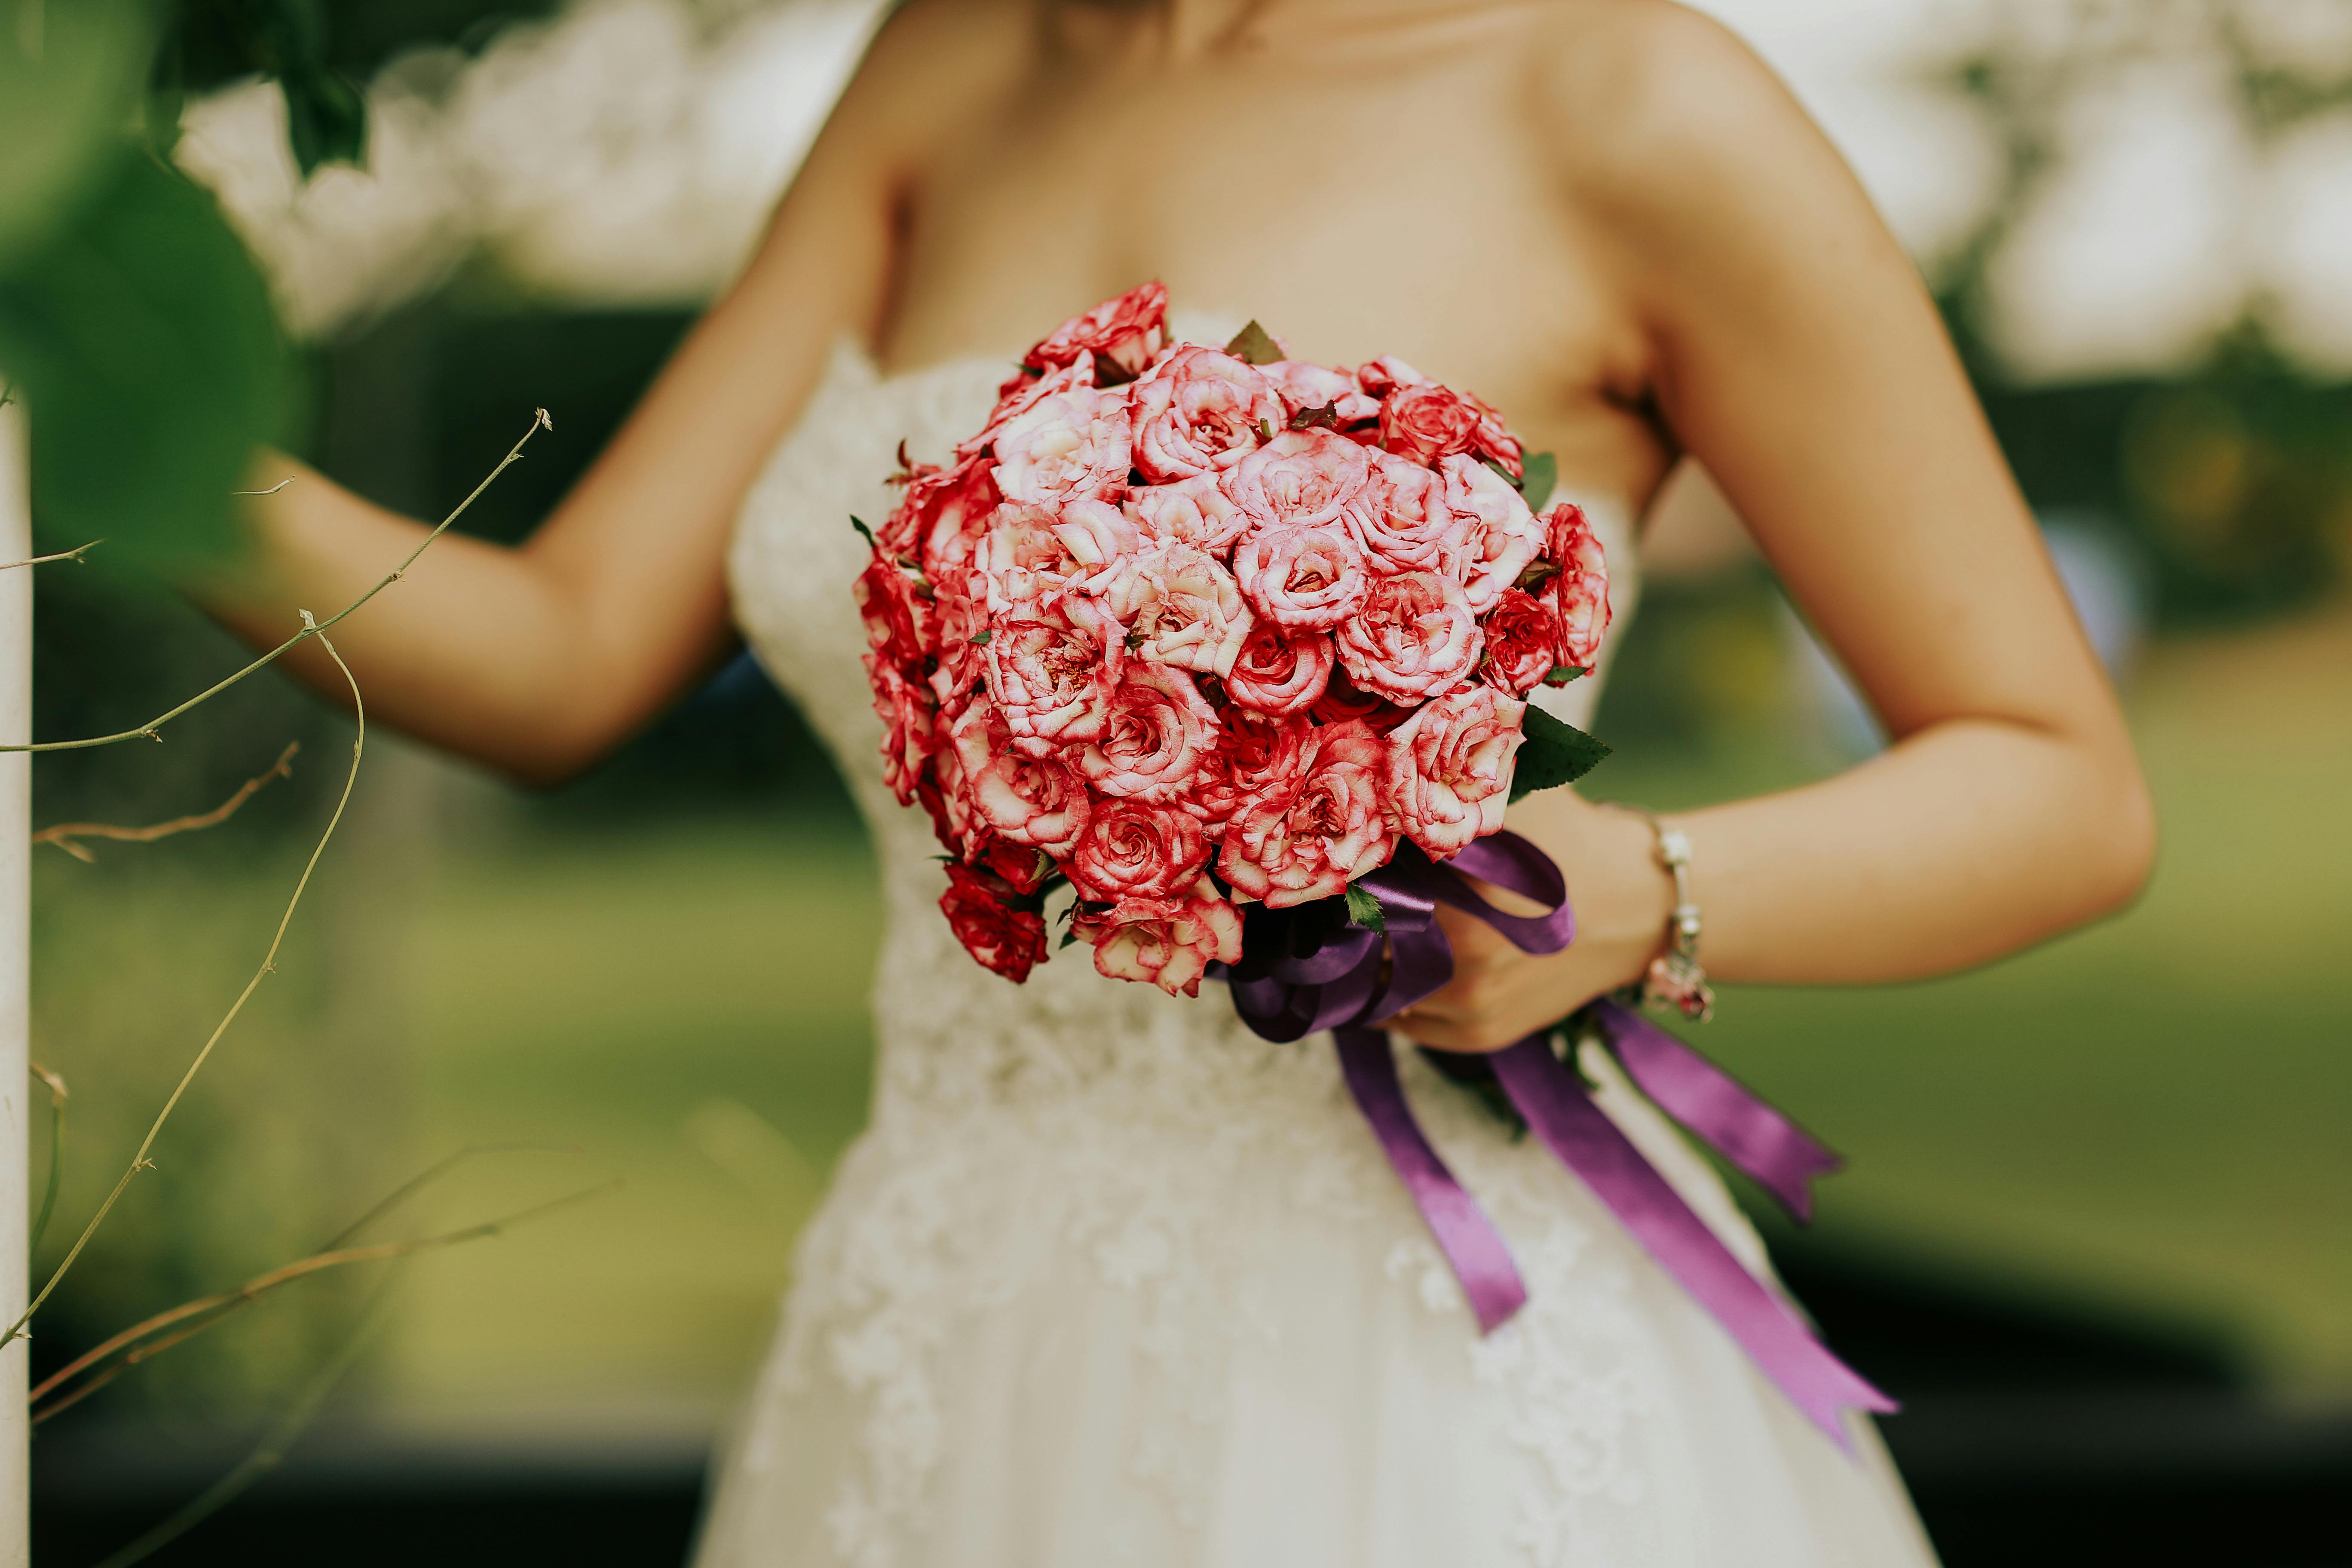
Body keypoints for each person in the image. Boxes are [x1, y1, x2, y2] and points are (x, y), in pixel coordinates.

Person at [201, 1, 2155, 1562]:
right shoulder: (948, 57)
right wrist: (93, 425)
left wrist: (1617, 892)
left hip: (1424, 1370)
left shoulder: (1629, 94)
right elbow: (558, 657)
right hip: (943, 1328)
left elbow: (2062, 785)